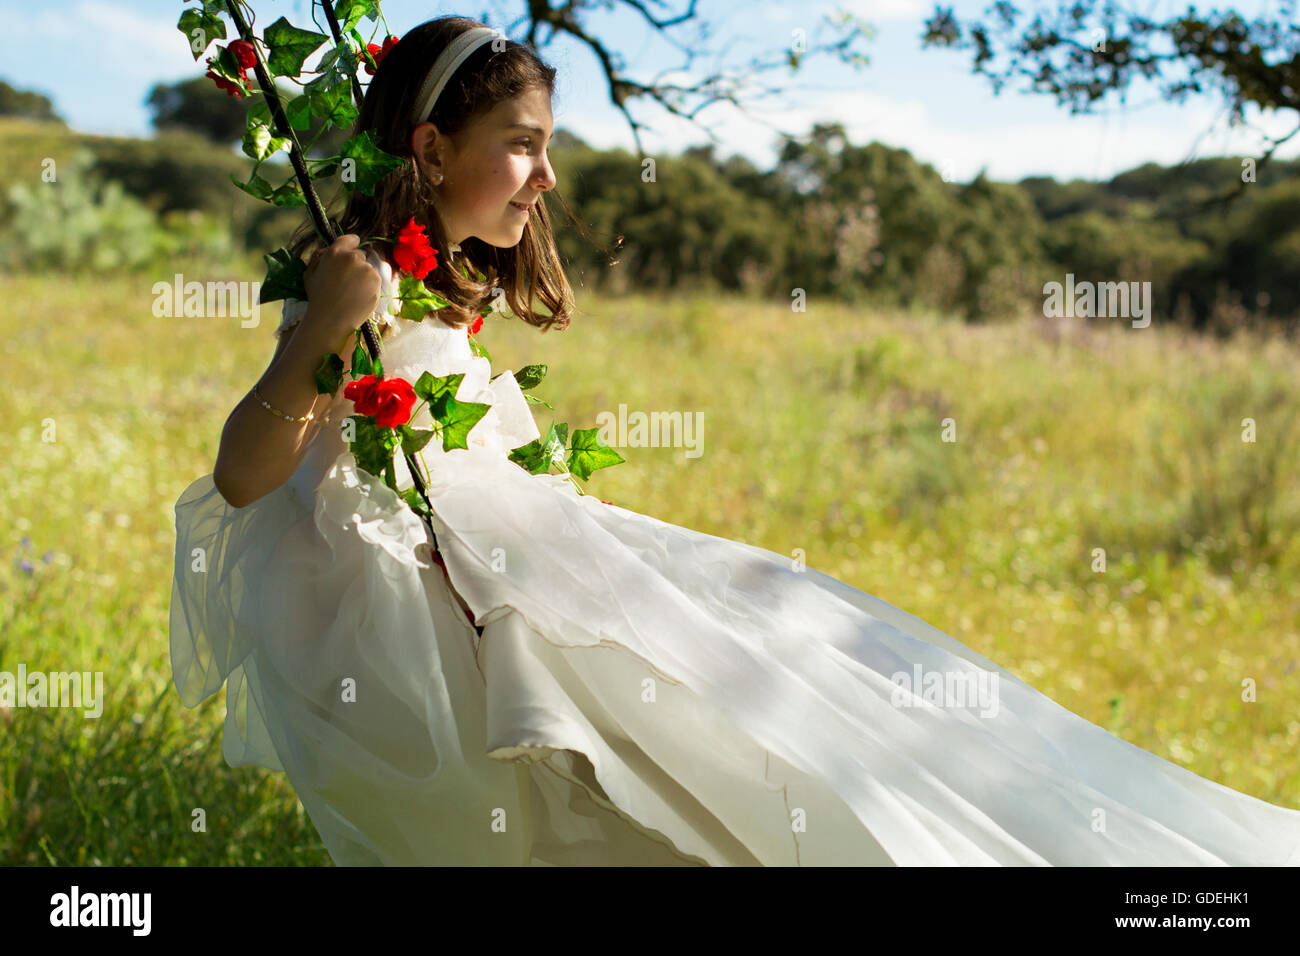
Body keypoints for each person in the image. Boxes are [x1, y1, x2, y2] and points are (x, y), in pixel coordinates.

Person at [169, 16, 1300, 866]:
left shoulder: (437, 292)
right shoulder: (350, 285)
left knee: (798, 694)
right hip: (403, 637)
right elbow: (244, 472)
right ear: (431, 140)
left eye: (546, 146)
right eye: (520, 145)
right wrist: (320, 329)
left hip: (501, 589)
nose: (546, 176)